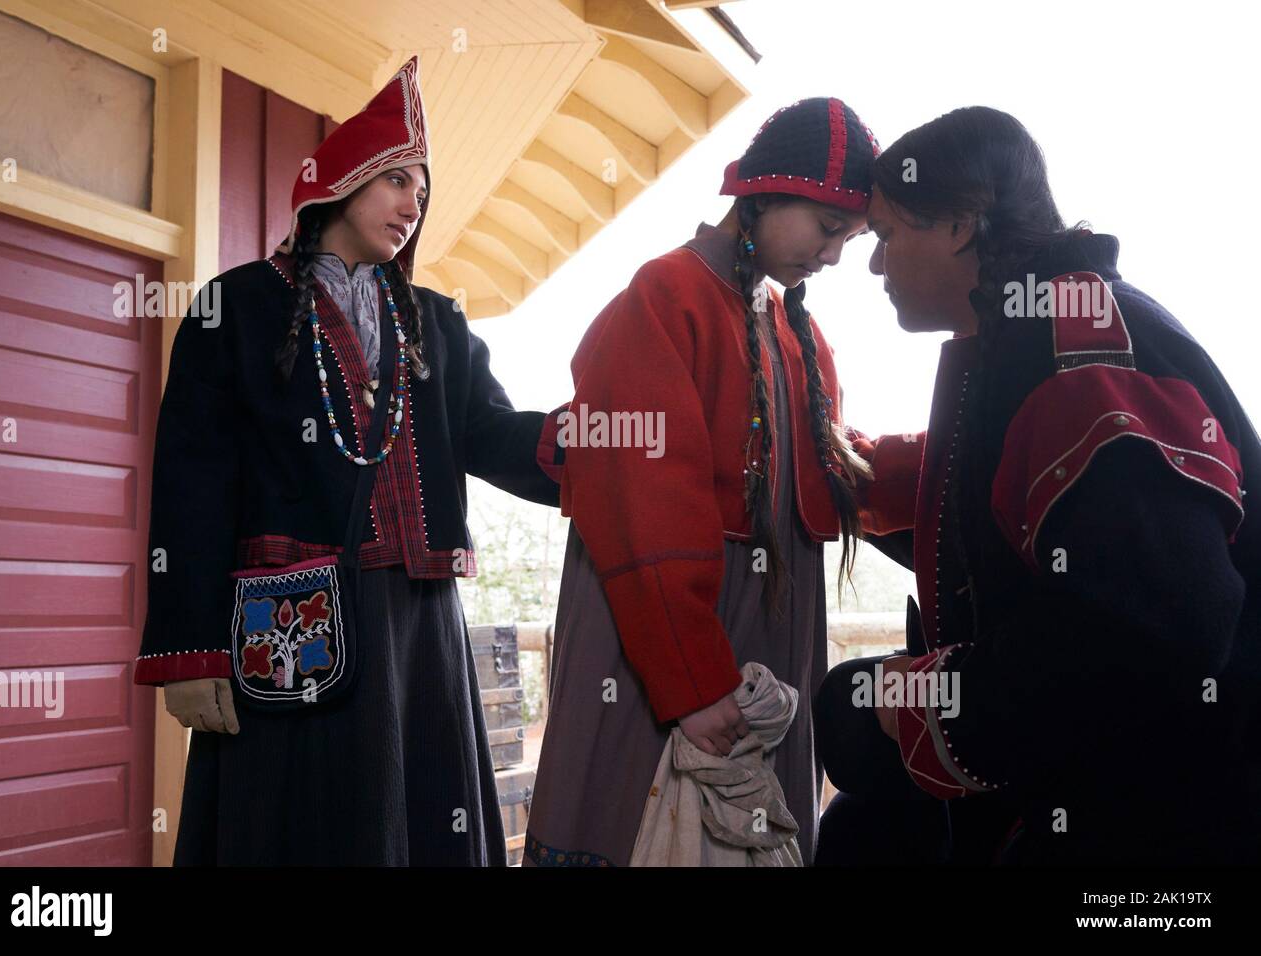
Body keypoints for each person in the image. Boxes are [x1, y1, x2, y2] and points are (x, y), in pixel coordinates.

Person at [133, 57, 561, 865]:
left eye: (423, 193)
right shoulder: (237, 308)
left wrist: (597, 441)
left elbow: (495, 435)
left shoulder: (436, 323)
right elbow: (191, 487)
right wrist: (188, 652)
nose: (413, 204)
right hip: (287, 625)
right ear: (342, 180)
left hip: (417, 631)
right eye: (397, 180)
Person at [826, 105, 1260, 864]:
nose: (872, 263)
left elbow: (1156, 625)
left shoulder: (1080, 349)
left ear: (961, 224)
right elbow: (1020, 513)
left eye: (888, 235)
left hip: (1159, 834)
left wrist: (922, 703)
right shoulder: (1035, 335)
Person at [523, 98, 924, 866]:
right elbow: (643, 505)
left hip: (759, 652)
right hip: (664, 664)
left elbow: (837, 471)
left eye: (854, 235)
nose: (837, 255)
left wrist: (956, 462)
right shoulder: (663, 300)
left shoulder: (794, 334)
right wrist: (694, 682)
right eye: (828, 227)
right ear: (766, 194)